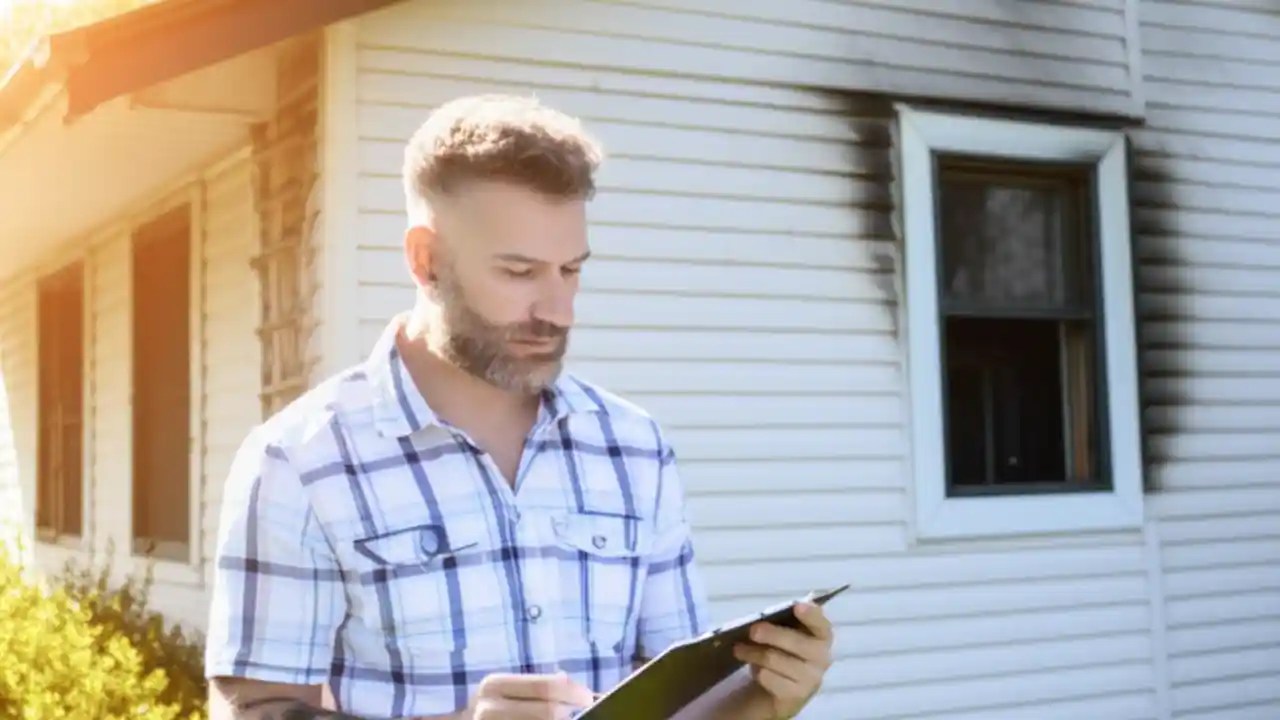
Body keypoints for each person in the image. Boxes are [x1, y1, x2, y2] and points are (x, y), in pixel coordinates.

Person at [205, 94, 836, 720]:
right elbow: (252, 711)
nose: (558, 311)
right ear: (426, 260)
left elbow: (674, 706)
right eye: (518, 272)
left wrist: (764, 701)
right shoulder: (298, 460)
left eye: (570, 270)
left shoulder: (634, 447)